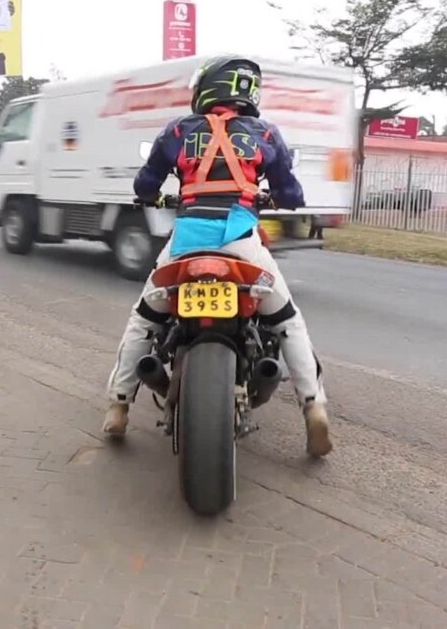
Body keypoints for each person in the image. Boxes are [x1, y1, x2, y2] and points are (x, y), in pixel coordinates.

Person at [102, 55, 333, 458]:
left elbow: (145, 185)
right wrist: (273, 196)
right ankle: (313, 407)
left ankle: (119, 406)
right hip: (243, 242)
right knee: (286, 322)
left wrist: (157, 196)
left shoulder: (177, 130)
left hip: (185, 243)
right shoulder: (266, 134)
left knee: (144, 320)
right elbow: (292, 194)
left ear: (207, 88)